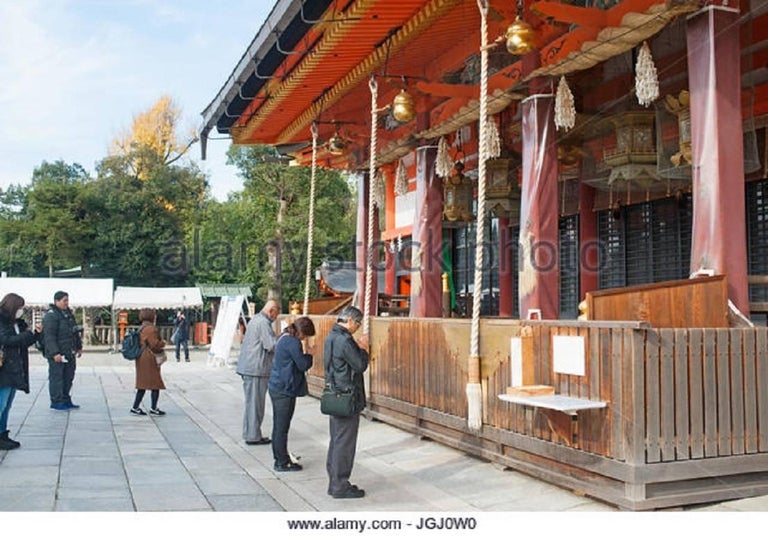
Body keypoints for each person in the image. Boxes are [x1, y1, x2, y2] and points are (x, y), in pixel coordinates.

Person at [324, 305, 369, 499]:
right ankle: (340, 485)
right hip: (347, 396)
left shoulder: (331, 337)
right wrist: (363, 349)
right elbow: (359, 365)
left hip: (335, 394)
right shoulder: (344, 340)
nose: (358, 328)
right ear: (350, 321)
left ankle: (335, 481)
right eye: (357, 324)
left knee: (337, 439)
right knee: (345, 442)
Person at [268, 316, 315, 472]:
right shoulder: (293, 342)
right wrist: (310, 355)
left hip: (276, 385)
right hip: (284, 389)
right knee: (282, 427)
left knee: (278, 426)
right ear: (303, 333)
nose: (305, 339)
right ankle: (281, 462)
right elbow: (302, 365)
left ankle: (281, 458)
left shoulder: (283, 336)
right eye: (306, 336)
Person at [0, 293, 41, 450]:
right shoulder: (2, 321)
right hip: (4, 369)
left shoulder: (17, 323)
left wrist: (35, 335)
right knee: (1, 404)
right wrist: (27, 335)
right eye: (20, 307)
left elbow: (23, 341)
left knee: (7, 405)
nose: (21, 311)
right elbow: (6, 340)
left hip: (15, 368)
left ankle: (3, 433)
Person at [237, 300, 280, 445]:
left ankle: (251, 433)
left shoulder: (256, 319)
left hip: (250, 367)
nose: (276, 316)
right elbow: (271, 345)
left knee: (252, 403)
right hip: (256, 368)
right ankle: (253, 436)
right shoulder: (263, 323)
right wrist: (283, 338)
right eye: (277, 313)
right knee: (255, 404)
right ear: (271, 311)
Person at [42, 290, 83, 410]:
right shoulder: (51, 315)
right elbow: (49, 336)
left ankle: (65, 398)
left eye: (67, 300)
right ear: (57, 301)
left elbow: (75, 332)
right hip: (57, 353)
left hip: (69, 351)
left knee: (68, 377)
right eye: (64, 300)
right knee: (57, 377)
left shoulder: (68, 314)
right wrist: (55, 352)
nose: (67, 303)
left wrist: (78, 347)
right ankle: (56, 401)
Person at [130, 308, 167, 416]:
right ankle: (153, 408)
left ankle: (135, 407)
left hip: (141, 357)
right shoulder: (151, 329)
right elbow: (154, 344)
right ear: (151, 316)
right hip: (149, 358)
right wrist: (163, 343)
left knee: (142, 383)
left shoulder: (142, 327)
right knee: (155, 383)